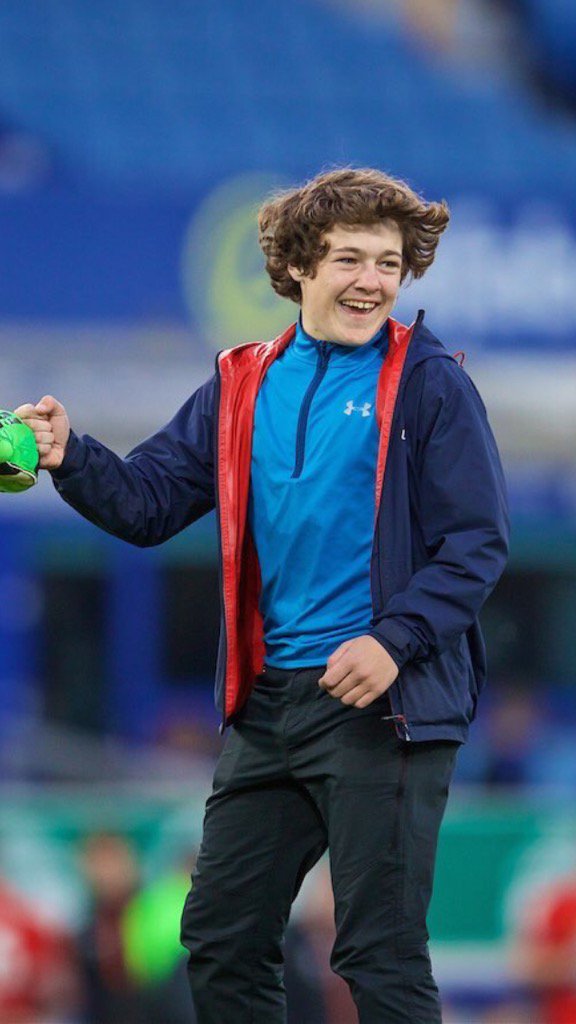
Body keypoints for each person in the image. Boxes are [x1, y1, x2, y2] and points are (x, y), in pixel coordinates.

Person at [16, 167, 509, 1023]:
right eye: (350, 259)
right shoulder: (242, 381)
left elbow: (477, 544)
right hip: (272, 703)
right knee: (220, 937)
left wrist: (392, 641)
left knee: (377, 952)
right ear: (299, 265)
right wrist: (70, 456)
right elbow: (148, 504)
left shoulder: (431, 383)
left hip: (382, 702)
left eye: (389, 264)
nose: (372, 281)